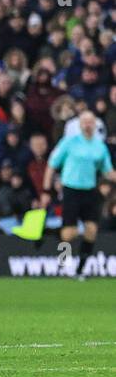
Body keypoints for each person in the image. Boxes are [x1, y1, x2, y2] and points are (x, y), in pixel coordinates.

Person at [44, 110, 115, 278]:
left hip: (89, 190)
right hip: (71, 190)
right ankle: (63, 264)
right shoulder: (69, 142)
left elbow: (107, 171)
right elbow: (52, 164)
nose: (88, 125)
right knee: (70, 232)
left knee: (91, 230)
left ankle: (81, 269)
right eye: (84, 122)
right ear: (80, 125)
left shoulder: (99, 146)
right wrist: (46, 190)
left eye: (91, 122)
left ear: (95, 124)